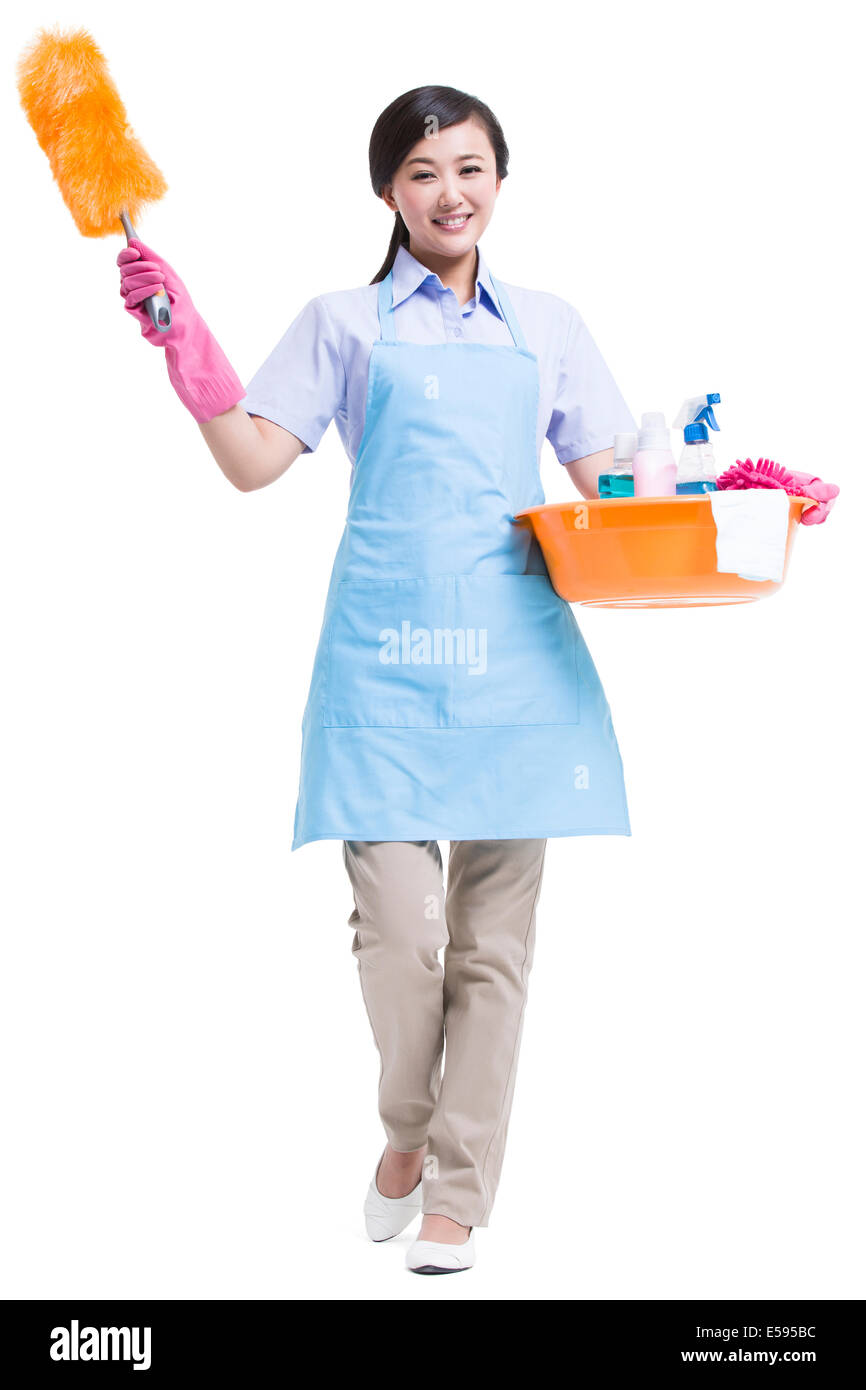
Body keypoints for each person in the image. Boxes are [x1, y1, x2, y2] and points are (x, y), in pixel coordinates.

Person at [117, 84, 637, 1276]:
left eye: (469, 168)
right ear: (387, 192)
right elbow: (254, 462)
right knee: (400, 934)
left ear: (499, 179)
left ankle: (458, 1186)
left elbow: (613, 484)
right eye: (421, 172)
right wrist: (184, 340)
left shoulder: (549, 325)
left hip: (518, 665)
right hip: (386, 662)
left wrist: (737, 500)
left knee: (493, 950)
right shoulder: (343, 321)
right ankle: (405, 1133)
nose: (449, 192)